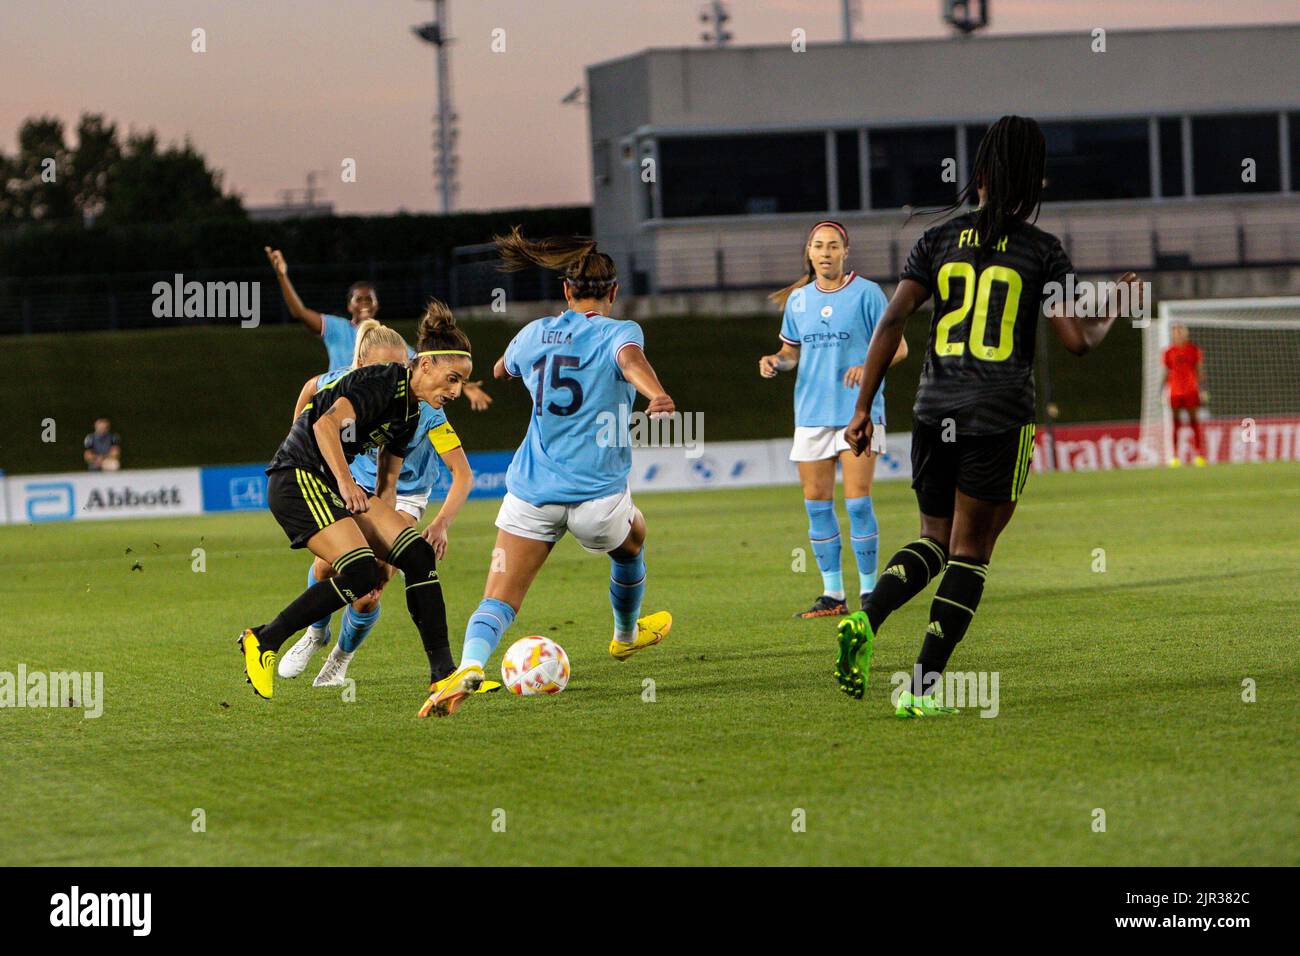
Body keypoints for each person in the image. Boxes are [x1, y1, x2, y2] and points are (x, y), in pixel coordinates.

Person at [835, 115, 1141, 717]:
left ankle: (867, 620)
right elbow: (1077, 341)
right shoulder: (1042, 252)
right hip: (997, 415)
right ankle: (920, 690)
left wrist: (863, 406)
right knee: (971, 551)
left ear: (976, 178)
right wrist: (1114, 306)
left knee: (934, 539)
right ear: (1036, 184)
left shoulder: (937, 241)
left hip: (933, 410)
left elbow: (892, 319)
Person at [419, 228, 674, 718]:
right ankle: (625, 635)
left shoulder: (534, 332)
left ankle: (469, 666)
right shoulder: (620, 332)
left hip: (532, 492)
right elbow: (631, 361)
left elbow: (498, 371)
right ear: (614, 292)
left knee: (499, 597)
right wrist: (654, 394)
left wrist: (527, 360)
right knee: (635, 535)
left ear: (565, 291)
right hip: (596, 499)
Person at [237, 315, 476, 701]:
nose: (457, 390)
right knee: (361, 572)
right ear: (426, 364)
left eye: (462, 382)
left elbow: (387, 483)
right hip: (299, 479)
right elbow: (324, 427)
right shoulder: (381, 381)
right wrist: (347, 486)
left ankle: (443, 675)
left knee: (416, 555)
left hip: (334, 483)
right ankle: (263, 640)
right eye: (453, 379)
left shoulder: (410, 413)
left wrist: (389, 534)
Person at [761, 221, 908, 619]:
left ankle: (870, 591)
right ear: (809, 253)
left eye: (833, 246)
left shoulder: (867, 294)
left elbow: (900, 348)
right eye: (818, 246)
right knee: (817, 507)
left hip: (857, 414)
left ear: (846, 252)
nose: (825, 252)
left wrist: (868, 366)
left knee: (858, 503)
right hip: (810, 416)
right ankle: (833, 595)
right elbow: (791, 351)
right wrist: (777, 361)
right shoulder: (798, 301)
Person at [264, 246, 492, 411]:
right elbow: (300, 313)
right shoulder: (336, 328)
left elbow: (429, 363)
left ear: (377, 304)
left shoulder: (389, 341)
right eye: (358, 299)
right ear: (348, 305)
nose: (364, 303)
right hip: (338, 404)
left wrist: (464, 384)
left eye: (369, 299)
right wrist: (282, 275)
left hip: (372, 410)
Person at [1162, 322, 1207, 467]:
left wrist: (1203, 389)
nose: (1178, 334)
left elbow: (1200, 372)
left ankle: (1199, 454)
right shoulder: (1168, 352)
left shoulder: (1194, 350)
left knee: (1194, 421)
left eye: (1180, 331)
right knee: (1175, 423)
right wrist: (1161, 391)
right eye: (1175, 331)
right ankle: (1174, 456)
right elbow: (1166, 372)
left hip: (1190, 391)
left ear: (1186, 333)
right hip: (1175, 392)